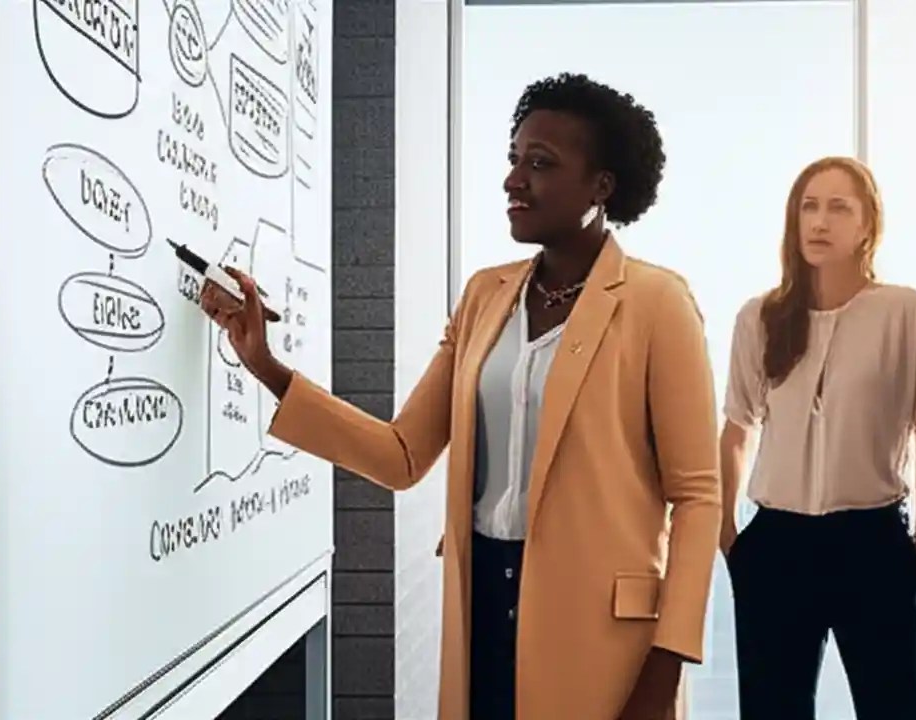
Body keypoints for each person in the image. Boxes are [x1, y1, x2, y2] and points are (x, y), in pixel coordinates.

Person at [201, 72, 721, 720]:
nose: (513, 180)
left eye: (541, 163)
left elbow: (698, 496)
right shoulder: (484, 296)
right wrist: (264, 365)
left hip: (605, 636)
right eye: (513, 159)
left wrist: (667, 664)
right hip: (480, 602)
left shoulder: (657, 302)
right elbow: (400, 454)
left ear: (602, 186)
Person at [719, 156, 916, 719]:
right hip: (776, 544)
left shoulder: (905, 311)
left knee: (898, 708)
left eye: (839, 208)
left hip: (872, 540)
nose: (819, 222)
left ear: (868, 224)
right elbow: (735, 429)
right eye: (808, 206)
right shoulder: (760, 317)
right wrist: (728, 533)